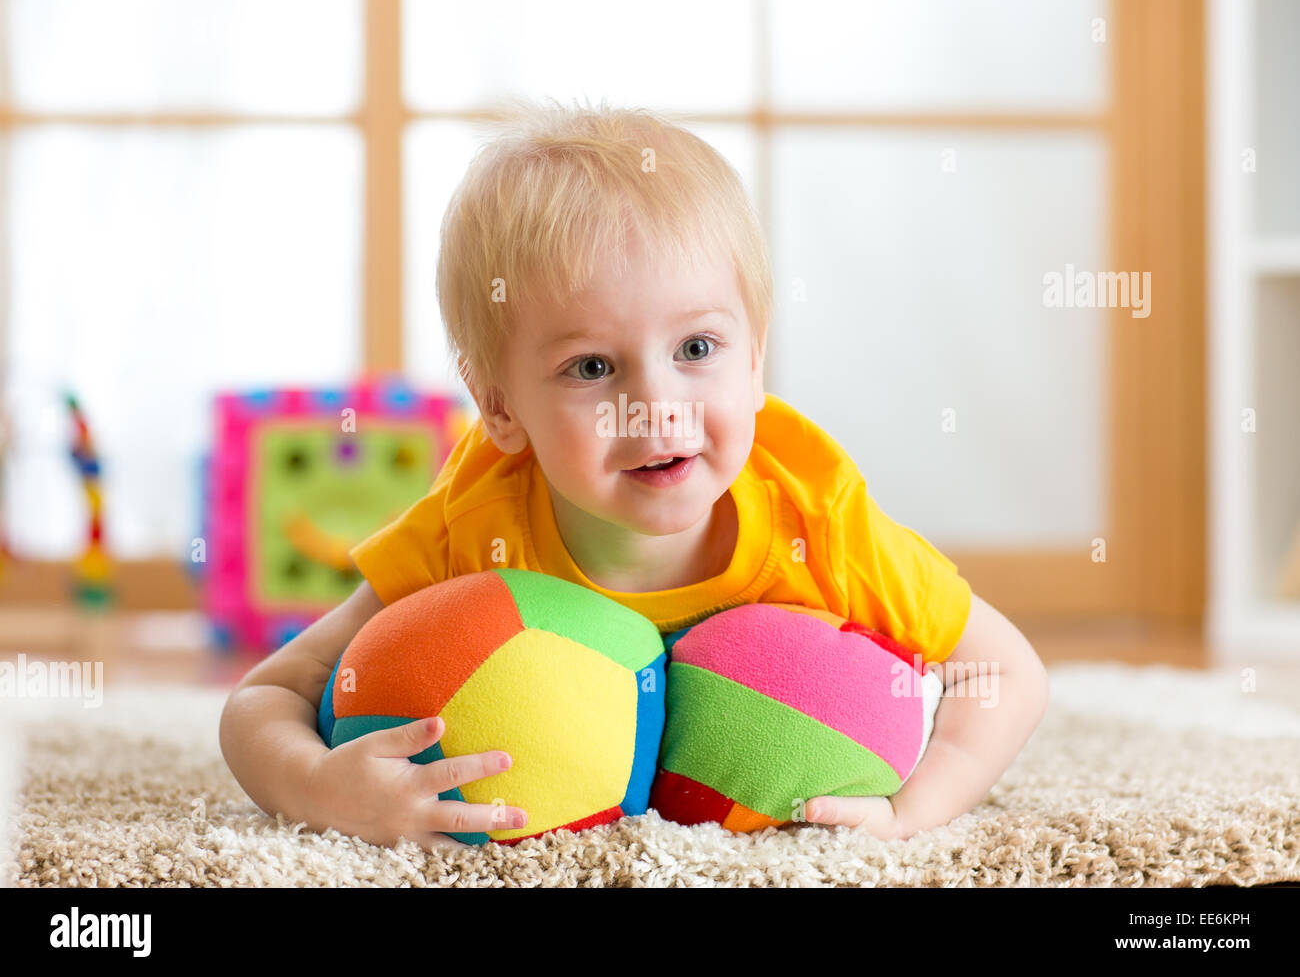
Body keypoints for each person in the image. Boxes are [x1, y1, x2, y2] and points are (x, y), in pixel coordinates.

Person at [220, 99, 1050, 853]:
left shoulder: (817, 519)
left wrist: (914, 813)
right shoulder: (475, 528)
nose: (655, 408)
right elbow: (268, 697)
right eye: (590, 367)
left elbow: (1006, 673)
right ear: (501, 407)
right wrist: (321, 790)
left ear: (755, 359)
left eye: (696, 350)